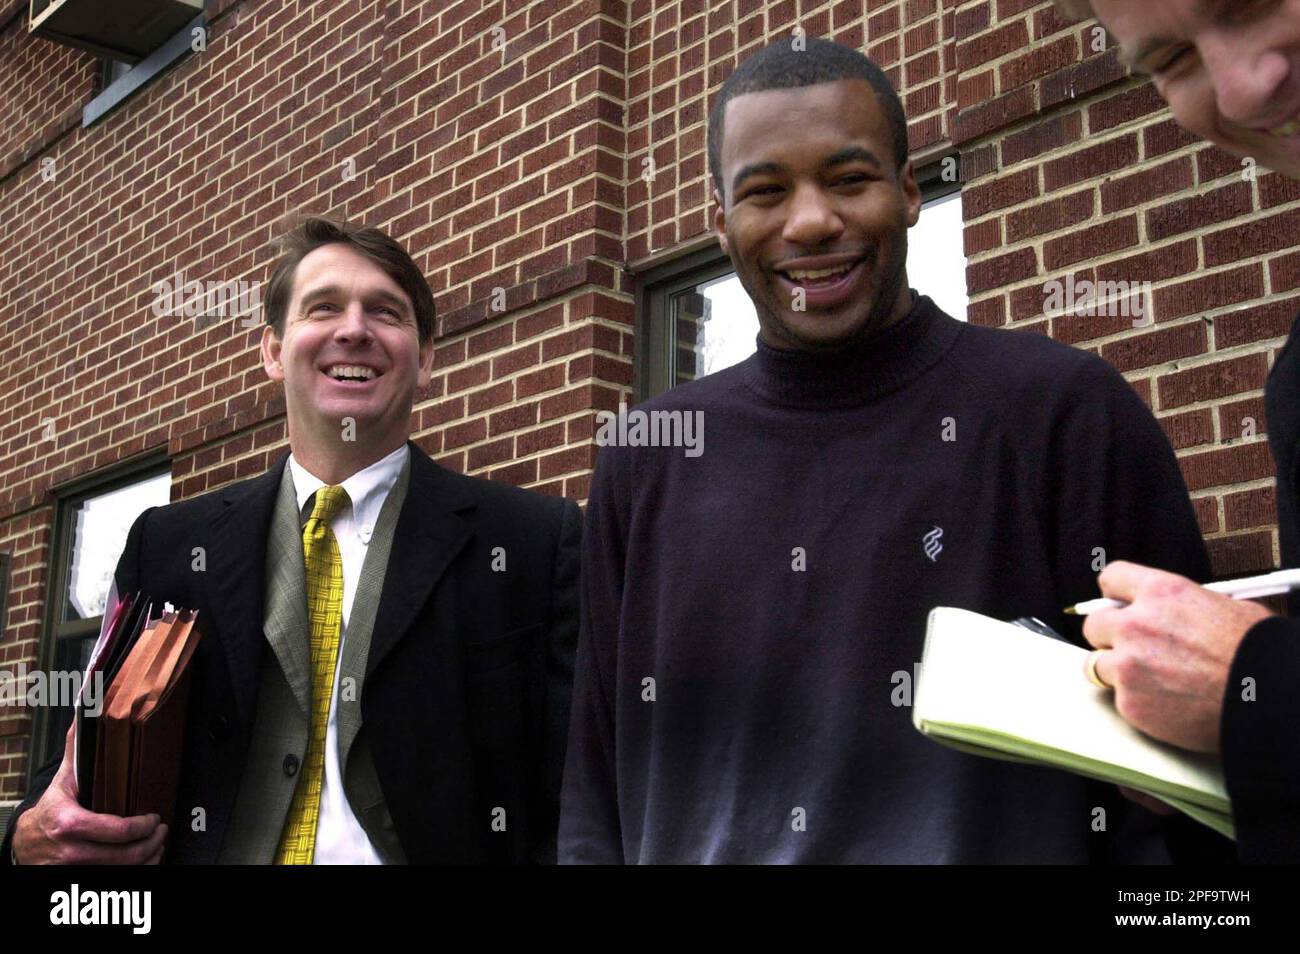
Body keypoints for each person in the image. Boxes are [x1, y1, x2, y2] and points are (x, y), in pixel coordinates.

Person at [559, 38, 1226, 863]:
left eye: (849, 179)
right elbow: (596, 765)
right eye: (765, 192)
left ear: (909, 191)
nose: (811, 221)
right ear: (721, 224)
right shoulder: (648, 455)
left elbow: (1183, 783)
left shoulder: (1063, 411)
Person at [4, 217, 580, 864]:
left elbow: (578, 799)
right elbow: (73, 772)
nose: (354, 329)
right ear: (274, 351)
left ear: (426, 360)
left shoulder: (535, 543)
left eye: (385, 312)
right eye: (324, 306)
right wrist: (26, 835)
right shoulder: (166, 547)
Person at [1053, 0, 1300, 863]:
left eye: (1253, 5)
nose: (1241, 88)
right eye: (1171, 60)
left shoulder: (1069, 401)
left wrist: (1251, 686)